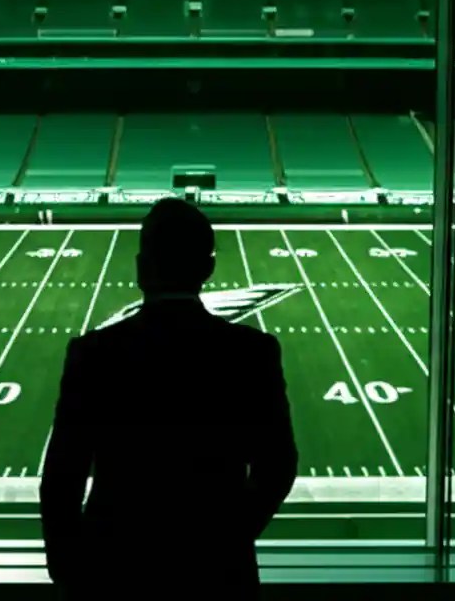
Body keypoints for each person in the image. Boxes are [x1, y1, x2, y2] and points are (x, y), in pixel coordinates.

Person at [40, 198, 298, 598]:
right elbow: (278, 465)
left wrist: (68, 567)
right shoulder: (253, 352)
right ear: (208, 269)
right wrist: (229, 537)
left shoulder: (93, 353)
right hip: (217, 573)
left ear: (141, 267)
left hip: (114, 566)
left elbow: (62, 474)